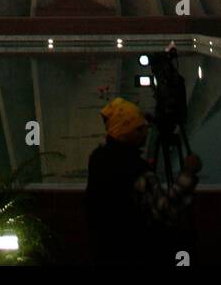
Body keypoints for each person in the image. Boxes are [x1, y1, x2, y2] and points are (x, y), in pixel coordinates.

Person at [86, 97, 201, 266]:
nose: (146, 132)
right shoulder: (137, 170)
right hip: (138, 254)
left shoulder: (97, 158)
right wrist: (188, 174)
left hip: (105, 251)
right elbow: (166, 211)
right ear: (125, 133)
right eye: (139, 129)